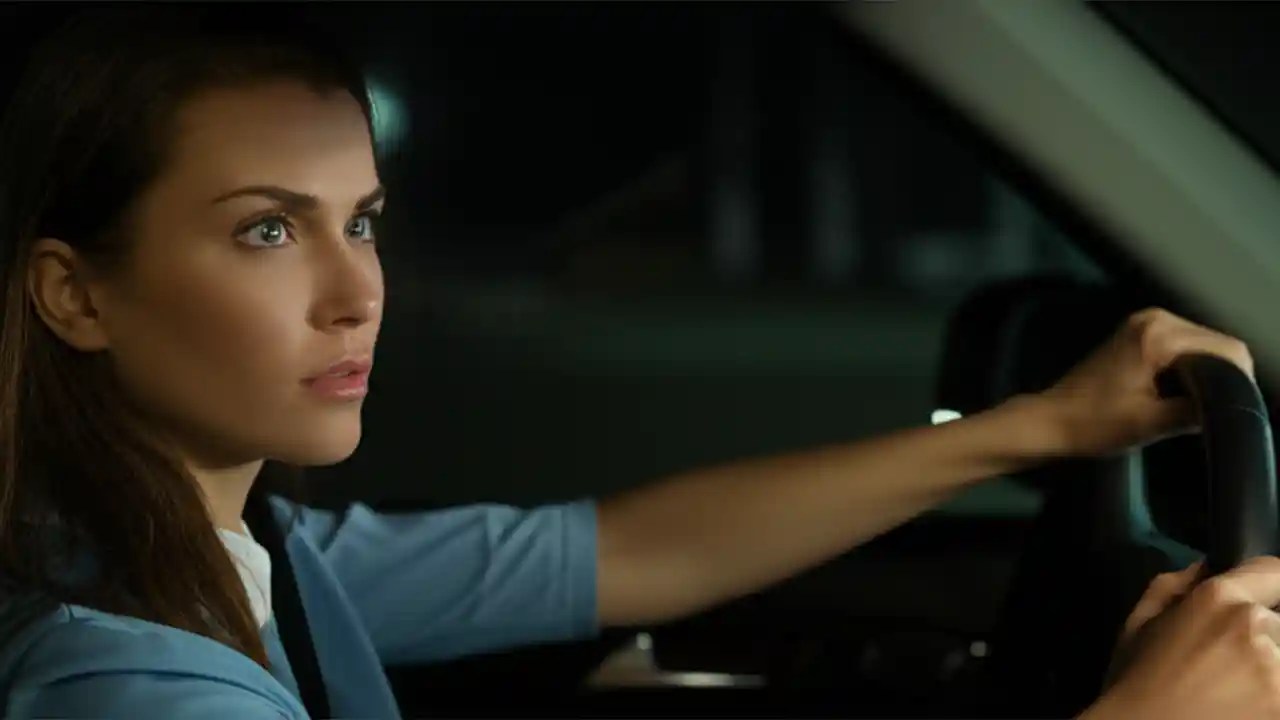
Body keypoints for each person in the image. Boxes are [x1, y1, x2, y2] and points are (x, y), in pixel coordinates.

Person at [0, 7, 1277, 720]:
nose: (356, 293)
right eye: (268, 229)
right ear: (76, 293)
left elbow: (630, 552)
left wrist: (1040, 427)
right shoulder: (129, 682)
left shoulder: (232, 552)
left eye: (364, 221)